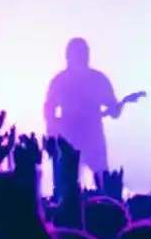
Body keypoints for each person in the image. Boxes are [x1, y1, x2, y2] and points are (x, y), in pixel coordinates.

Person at [44, 37, 121, 184]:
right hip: (73, 139)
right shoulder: (63, 80)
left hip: (86, 138)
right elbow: (49, 110)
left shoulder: (94, 79)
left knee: (96, 181)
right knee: (75, 183)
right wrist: (52, 136)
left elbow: (114, 110)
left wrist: (52, 135)